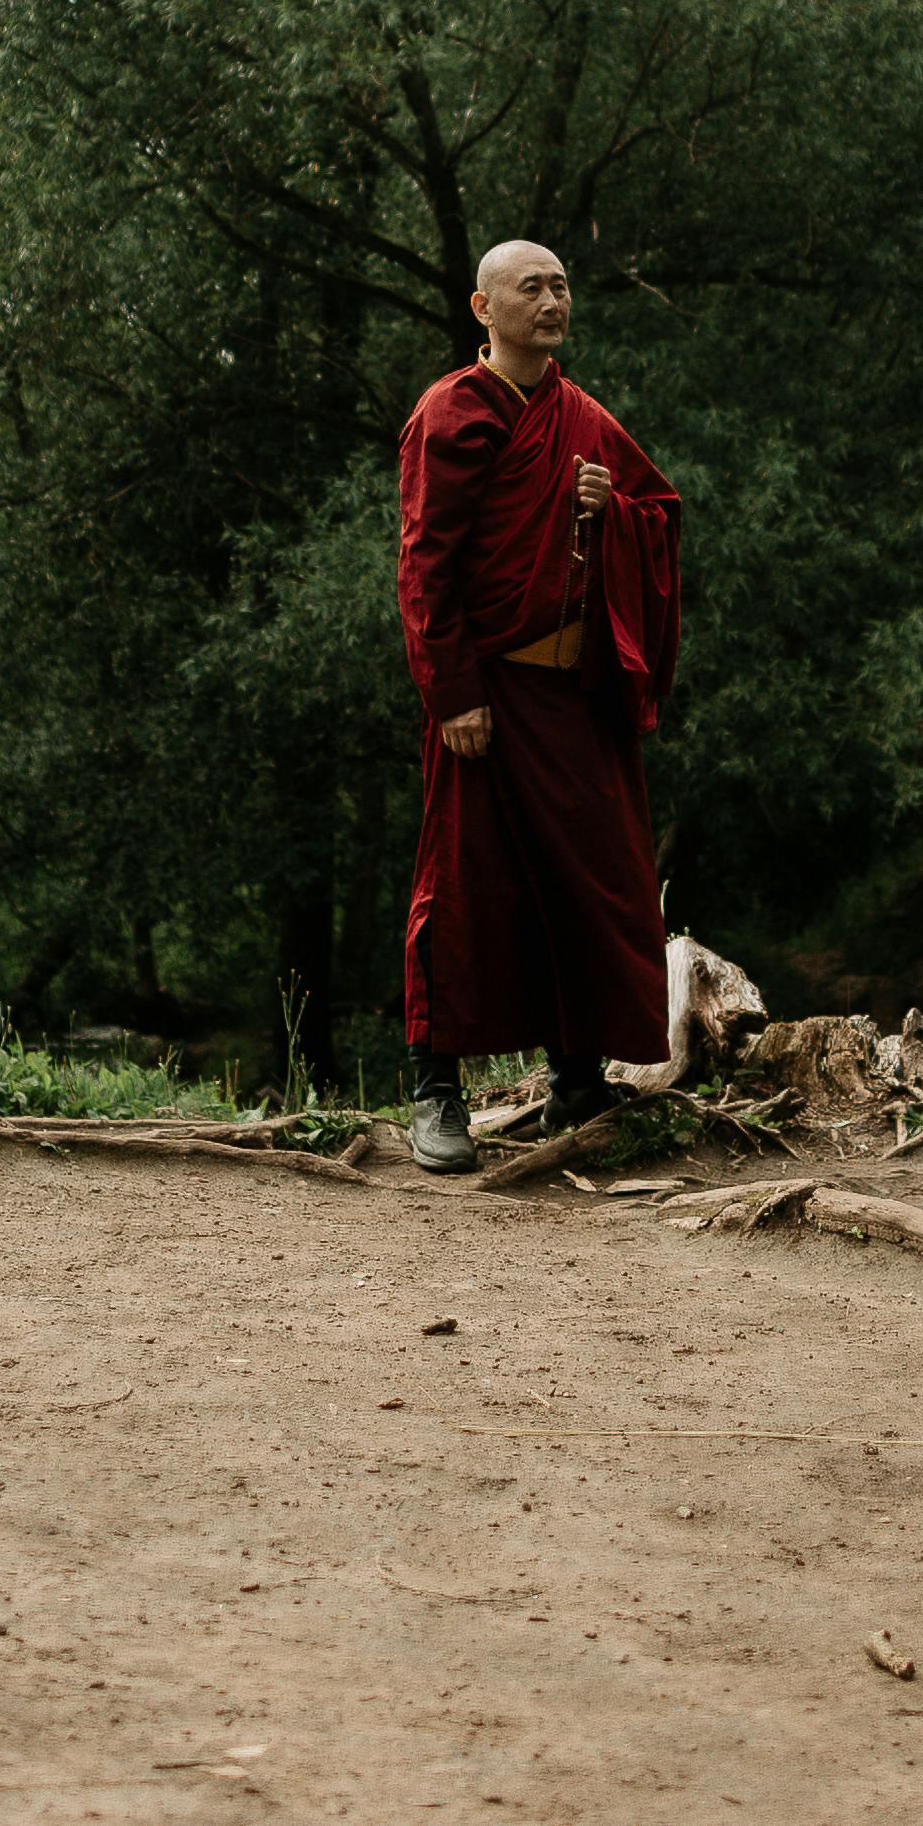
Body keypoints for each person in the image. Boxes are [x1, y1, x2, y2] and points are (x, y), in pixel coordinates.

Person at [392, 239, 683, 1174]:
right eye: (533, 287)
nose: (553, 300)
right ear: (485, 307)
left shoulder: (582, 417)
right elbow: (423, 564)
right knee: (469, 885)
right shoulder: (450, 414)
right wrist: (453, 692)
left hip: (574, 696)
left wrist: (611, 513)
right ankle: (437, 1092)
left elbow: (662, 511)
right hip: (489, 695)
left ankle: (578, 1080)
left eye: (561, 286)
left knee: (592, 881)